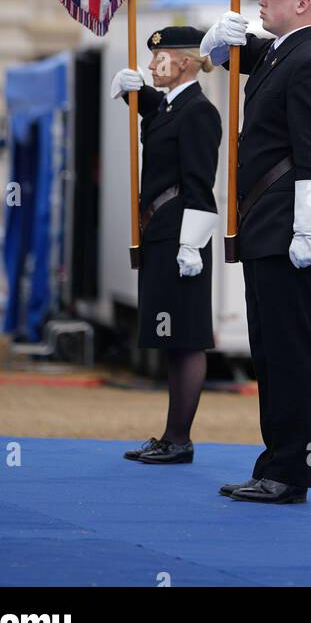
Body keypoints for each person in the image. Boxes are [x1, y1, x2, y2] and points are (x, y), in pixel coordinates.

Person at [198, 0, 311, 504]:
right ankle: (275, 464)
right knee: (269, 351)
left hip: (293, 231)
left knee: (291, 354)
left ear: (303, 3)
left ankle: (289, 472)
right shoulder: (281, 53)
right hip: (267, 225)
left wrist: (308, 230)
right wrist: (217, 39)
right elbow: (221, 57)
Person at [111, 26, 221, 464]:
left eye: (162, 58)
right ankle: (171, 435)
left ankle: (179, 440)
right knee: (172, 338)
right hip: (162, 232)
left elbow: (200, 181)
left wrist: (191, 243)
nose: (153, 64)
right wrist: (134, 97)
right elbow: (161, 118)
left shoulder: (199, 112)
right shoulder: (174, 106)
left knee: (188, 338)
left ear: (188, 63)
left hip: (182, 236)